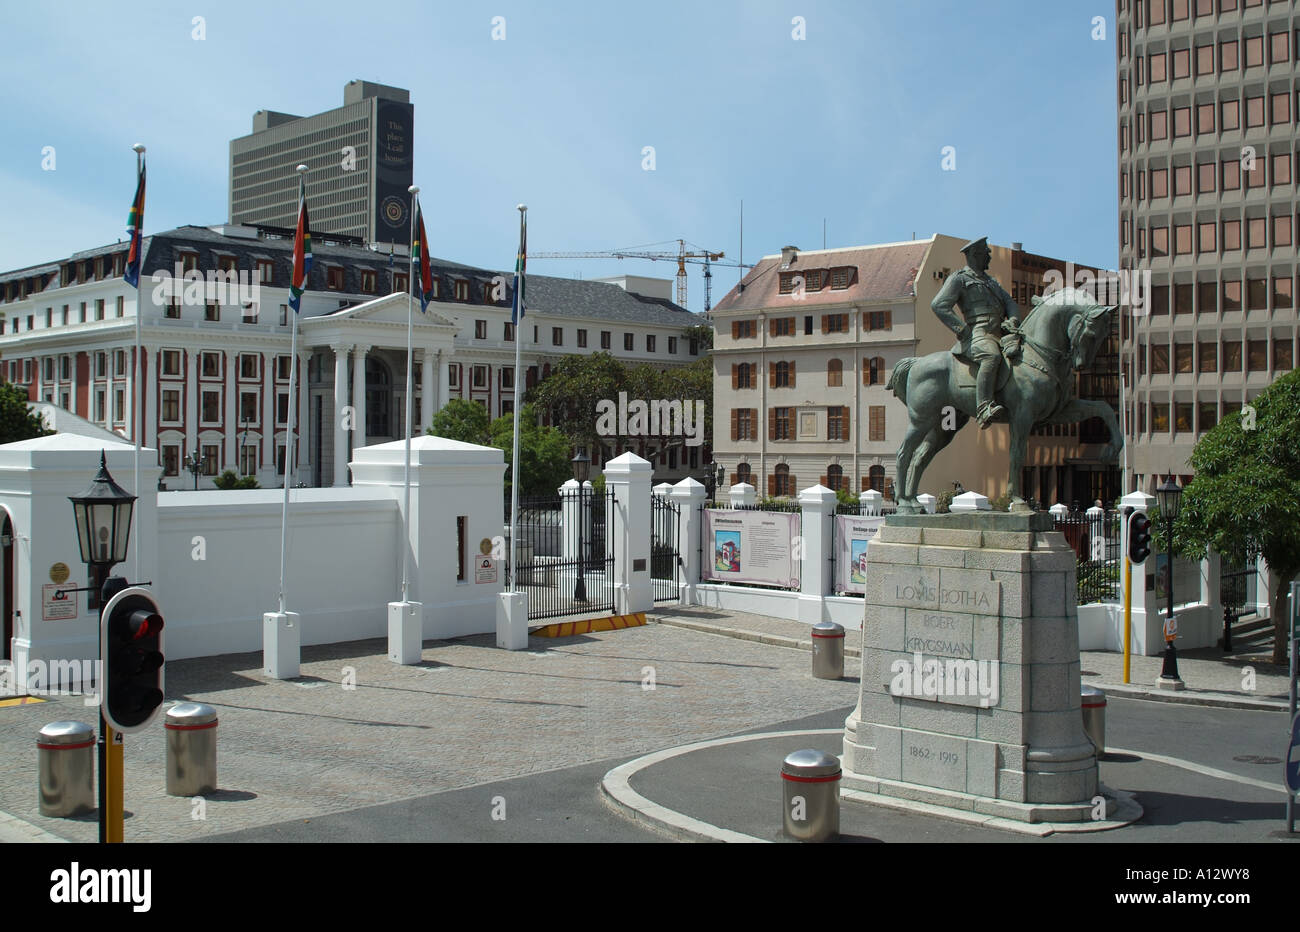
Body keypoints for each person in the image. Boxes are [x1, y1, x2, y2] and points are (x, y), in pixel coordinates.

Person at [930, 236, 1022, 428]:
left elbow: (1010, 303)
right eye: (986, 252)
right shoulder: (959, 279)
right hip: (978, 335)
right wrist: (962, 330)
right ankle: (984, 406)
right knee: (991, 356)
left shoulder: (992, 282)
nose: (989, 256)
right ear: (975, 255)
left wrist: (1012, 320)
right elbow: (938, 305)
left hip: (1001, 333)